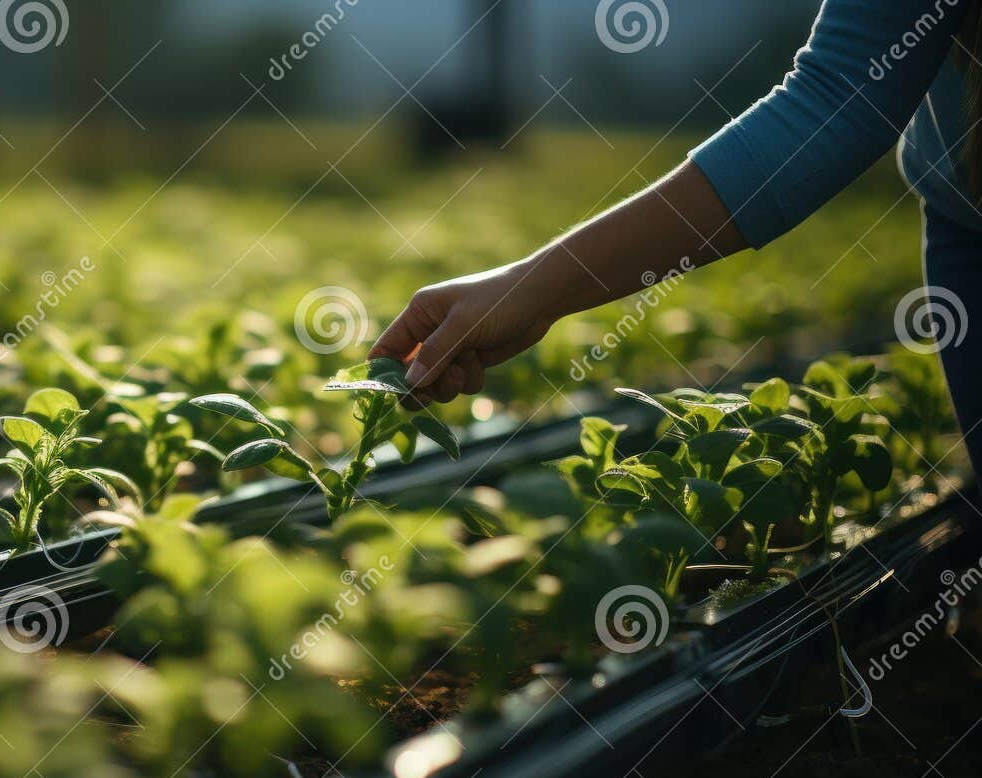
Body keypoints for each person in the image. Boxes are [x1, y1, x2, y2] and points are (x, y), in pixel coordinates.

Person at [374, 0, 982, 468]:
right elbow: (842, 94)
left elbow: (833, 105)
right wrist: (526, 291)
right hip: (960, 215)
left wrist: (528, 290)